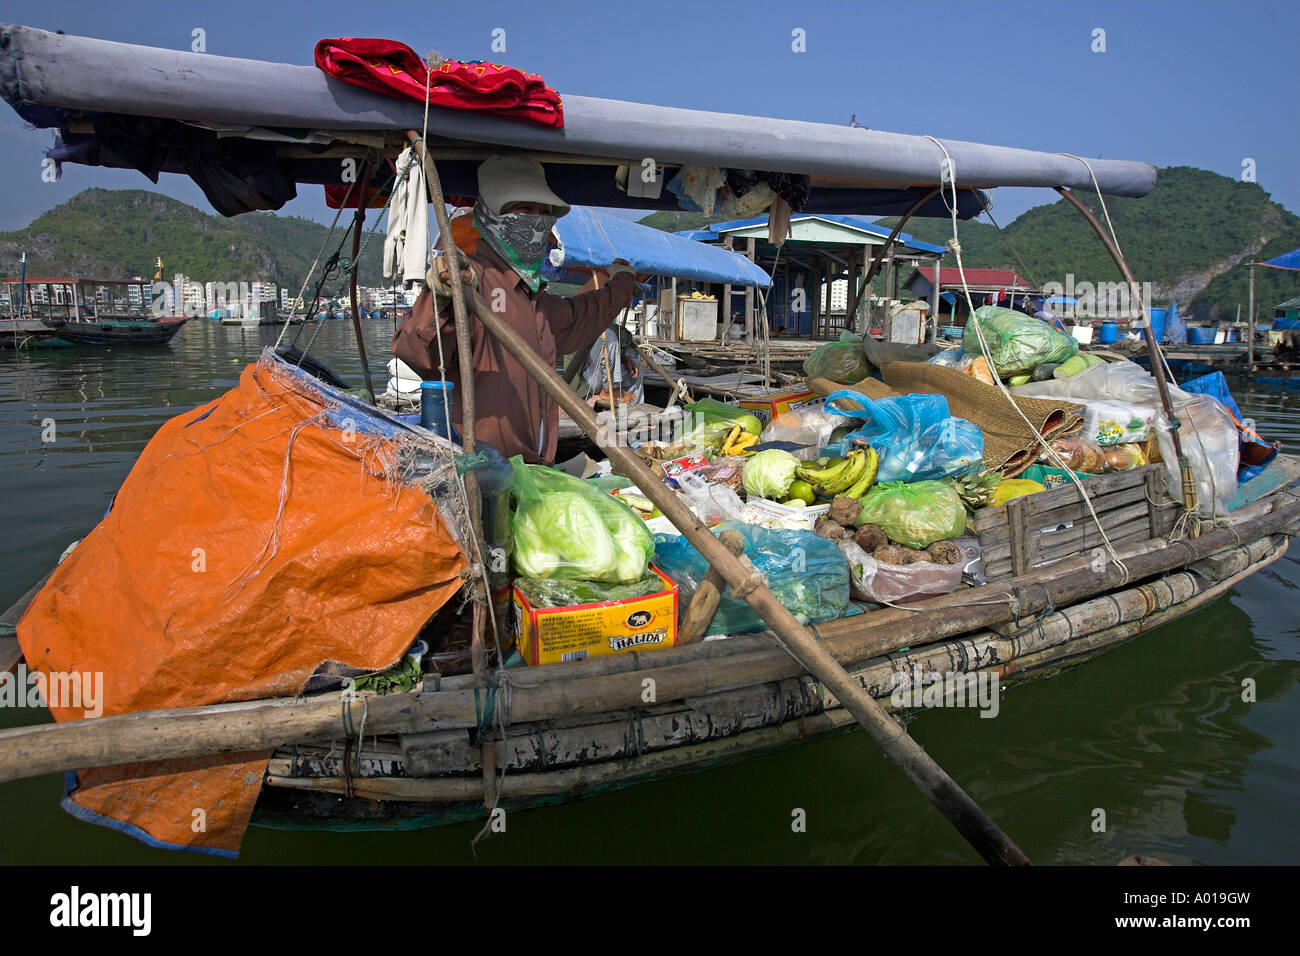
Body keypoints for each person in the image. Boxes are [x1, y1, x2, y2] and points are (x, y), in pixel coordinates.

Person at [393, 155, 639, 463]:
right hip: (481, 470)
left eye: (543, 212)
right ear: (492, 215)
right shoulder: (471, 279)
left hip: (533, 467)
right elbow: (418, 353)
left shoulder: (533, 297)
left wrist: (621, 285)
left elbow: (579, 316)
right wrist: (439, 298)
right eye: (524, 210)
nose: (536, 220)